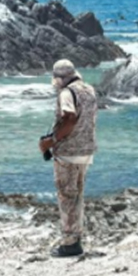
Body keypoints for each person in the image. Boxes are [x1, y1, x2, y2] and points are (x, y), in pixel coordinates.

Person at [38, 59, 99, 258]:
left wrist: (52, 141)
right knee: (78, 195)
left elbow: (70, 117)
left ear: (59, 78)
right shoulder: (89, 90)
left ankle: (70, 242)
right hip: (86, 149)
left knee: (66, 196)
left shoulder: (66, 93)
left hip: (68, 152)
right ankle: (75, 238)